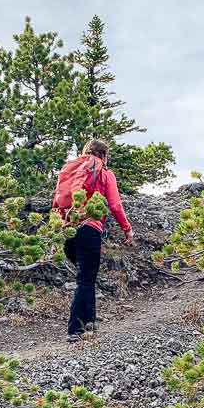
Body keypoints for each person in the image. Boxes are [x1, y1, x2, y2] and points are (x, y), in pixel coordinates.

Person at [52, 139, 134, 342]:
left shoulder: (71, 171)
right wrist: (127, 230)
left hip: (67, 231)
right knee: (85, 280)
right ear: (104, 156)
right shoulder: (105, 173)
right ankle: (75, 330)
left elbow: (56, 203)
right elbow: (115, 205)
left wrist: (56, 233)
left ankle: (90, 321)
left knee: (86, 277)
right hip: (89, 228)